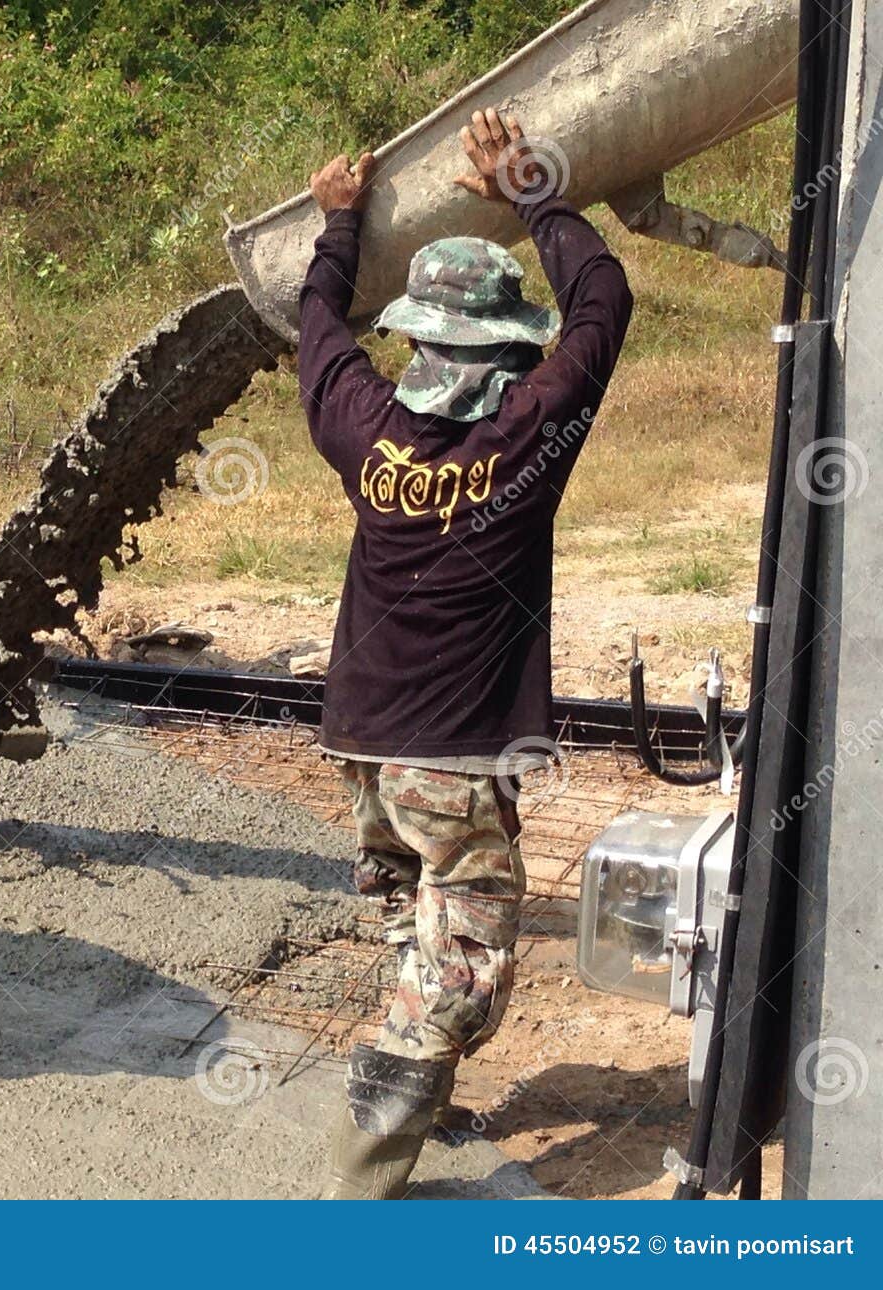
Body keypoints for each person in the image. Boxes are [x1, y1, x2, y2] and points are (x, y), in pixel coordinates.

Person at [298, 108, 633, 1198]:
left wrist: (337, 225)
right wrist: (528, 187)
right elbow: (603, 300)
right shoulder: (523, 437)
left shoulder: (363, 427)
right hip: (445, 757)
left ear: (415, 342)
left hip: (360, 744)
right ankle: (367, 1167)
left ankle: (413, 1116)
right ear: (503, 352)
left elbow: (315, 329)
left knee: (412, 921)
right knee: (466, 959)